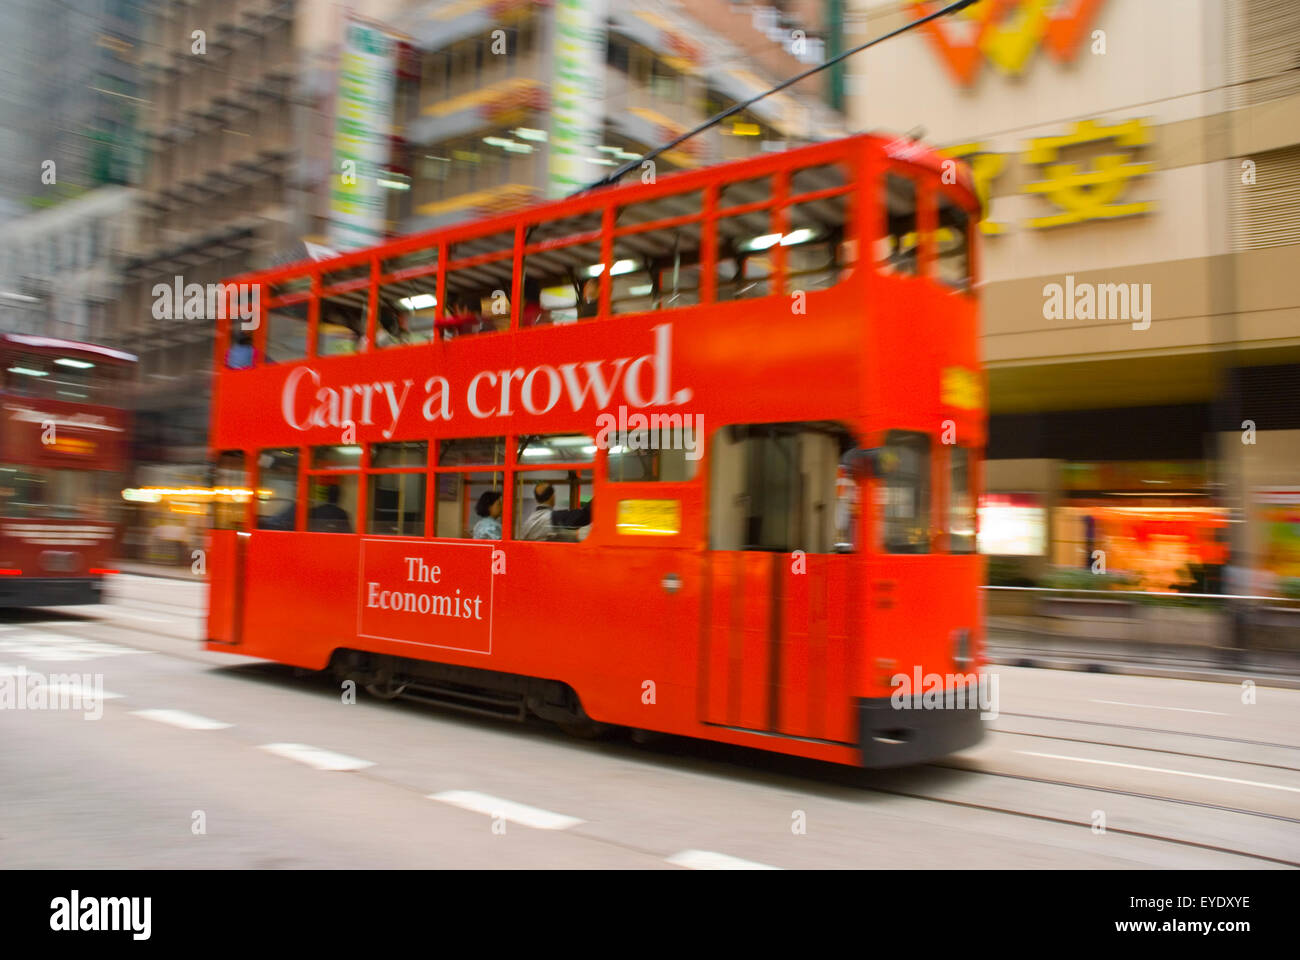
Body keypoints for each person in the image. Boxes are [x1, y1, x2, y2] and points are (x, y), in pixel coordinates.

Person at [521, 482, 592, 541]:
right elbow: (584, 515)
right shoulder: (554, 517)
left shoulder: (527, 522)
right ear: (553, 497)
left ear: (536, 500)